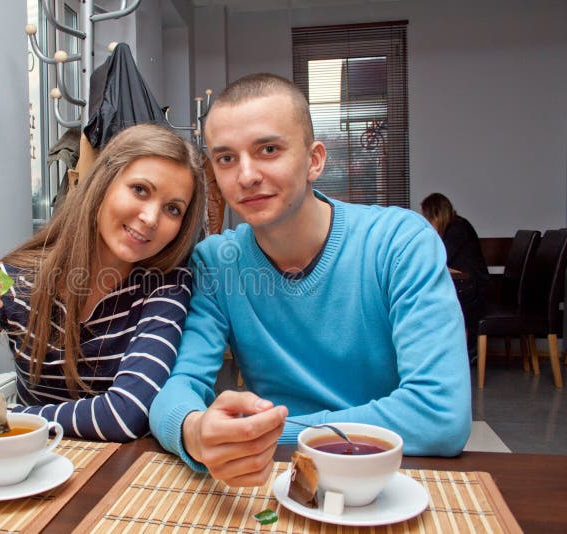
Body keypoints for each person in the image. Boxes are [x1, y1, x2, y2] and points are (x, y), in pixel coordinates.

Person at [148, 73, 472, 487]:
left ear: (315, 159)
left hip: (394, 478)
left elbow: (440, 416)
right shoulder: (216, 262)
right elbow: (176, 391)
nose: (246, 175)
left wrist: (268, 433)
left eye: (268, 149)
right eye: (226, 158)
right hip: (280, 479)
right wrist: (196, 431)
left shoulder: (399, 242)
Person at [0, 123, 206, 442]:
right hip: (27, 472)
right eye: (140, 190)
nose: (150, 218)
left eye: (173, 209)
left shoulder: (167, 287)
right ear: (103, 183)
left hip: (122, 481)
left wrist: (2, 421)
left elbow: (125, 414)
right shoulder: (8, 278)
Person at [421, 192, 488, 356]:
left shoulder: (457, 228)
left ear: (437, 214)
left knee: (429, 301)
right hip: (470, 286)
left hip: (474, 289)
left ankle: (455, 353)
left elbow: (440, 258)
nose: (427, 224)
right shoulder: (458, 225)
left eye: (428, 218)